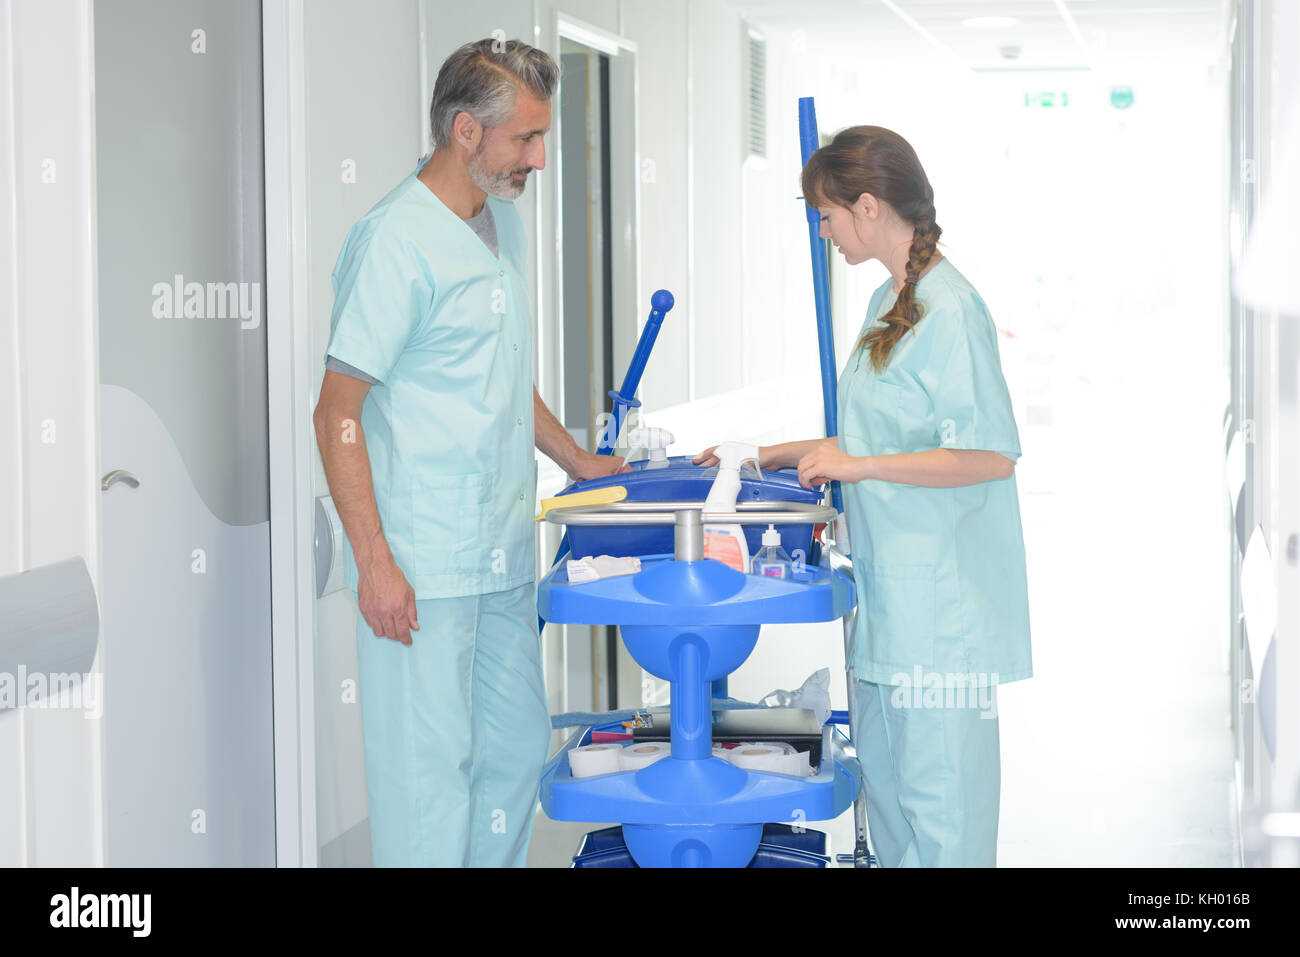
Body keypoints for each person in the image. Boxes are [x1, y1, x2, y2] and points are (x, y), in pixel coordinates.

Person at [312, 38, 626, 867]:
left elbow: (502, 373)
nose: (541, 157)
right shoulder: (393, 241)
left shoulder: (502, 225)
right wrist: (372, 559)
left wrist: (576, 458)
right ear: (463, 131)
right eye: (525, 138)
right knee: (428, 781)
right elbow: (337, 411)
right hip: (420, 559)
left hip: (499, 550)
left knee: (517, 749)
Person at [696, 126, 1030, 867]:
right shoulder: (891, 297)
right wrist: (770, 451)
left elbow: (987, 455)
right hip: (889, 603)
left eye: (826, 213)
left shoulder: (951, 310)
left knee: (943, 816)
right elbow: (870, 435)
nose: (823, 231)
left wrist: (862, 464)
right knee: (890, 795)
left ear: (868, 206)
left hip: (943, 618)